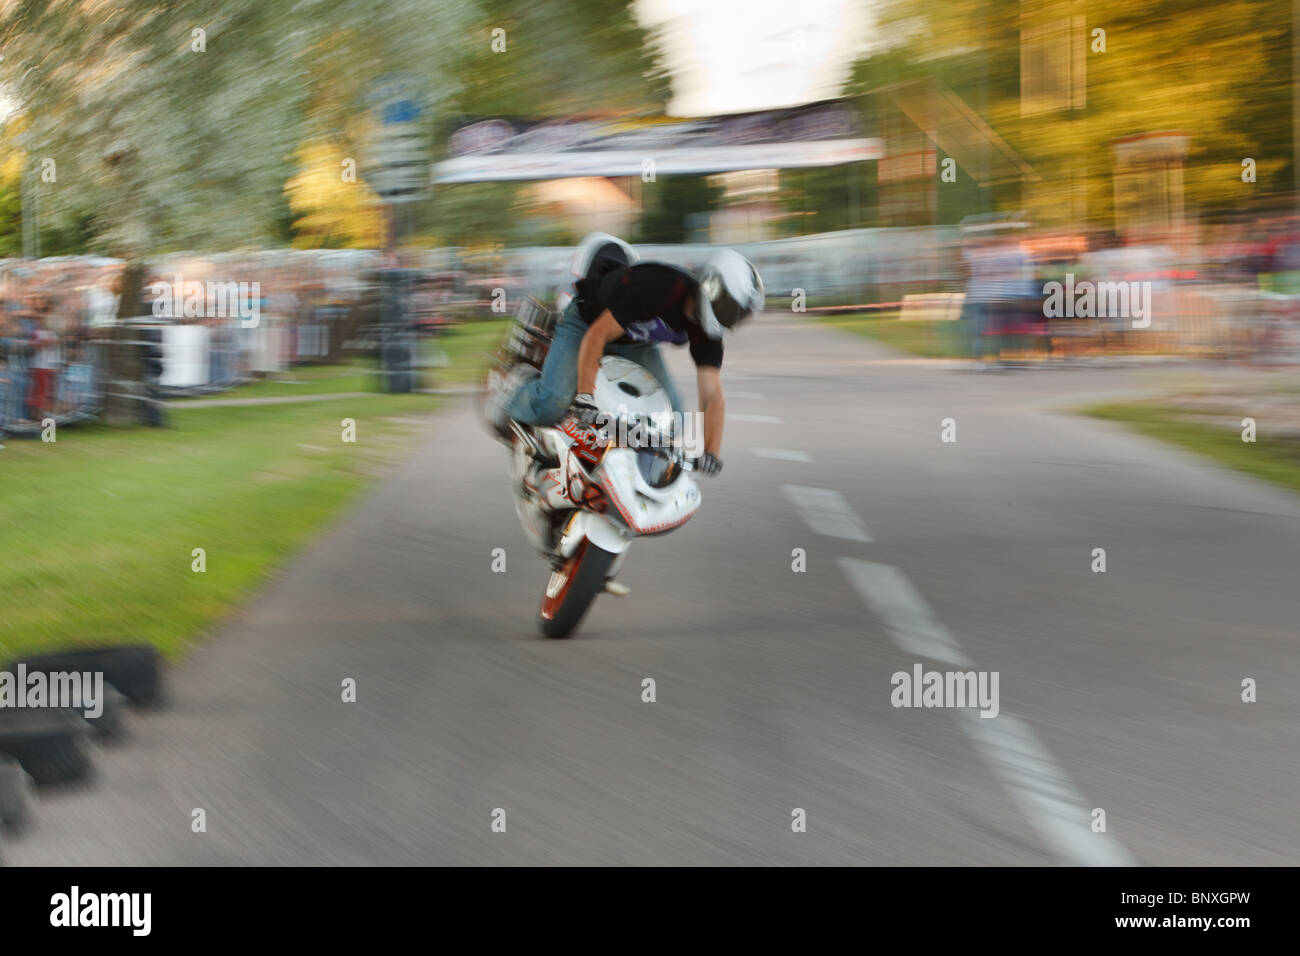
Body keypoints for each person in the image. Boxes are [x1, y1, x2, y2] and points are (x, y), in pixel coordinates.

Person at [497, 242, 765, 478]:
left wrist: (711, 452)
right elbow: (596, 337)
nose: (731, 319)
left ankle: (617, 468)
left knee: (675, 422)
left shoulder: (709, 332)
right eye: (731, 308)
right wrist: (585, 396)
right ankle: (512, 395)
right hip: (587, 322)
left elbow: (712, 394)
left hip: (636, 342)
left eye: (738, 315)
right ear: (711, 286)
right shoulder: (660, 287)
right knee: (552, 403)